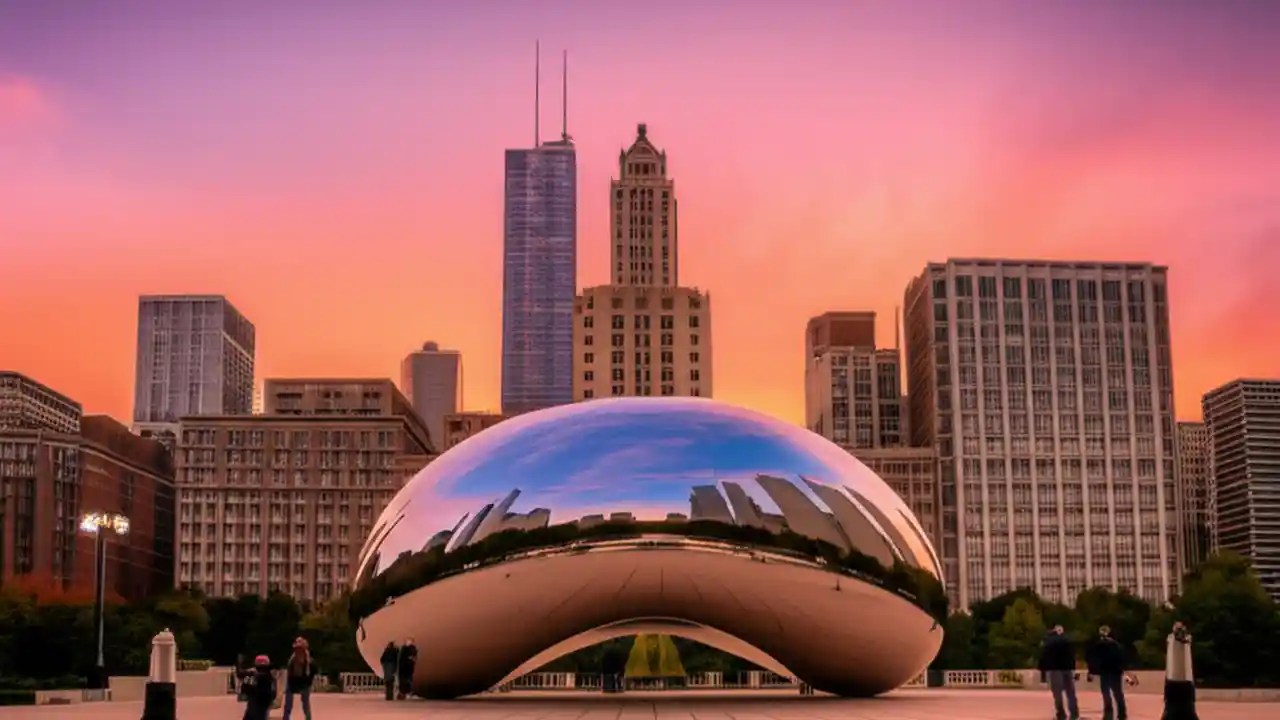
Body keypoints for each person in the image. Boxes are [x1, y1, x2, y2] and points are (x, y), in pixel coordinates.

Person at [1038, 624, 1080, 720]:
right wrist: (1072, 667)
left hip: (1055, 669)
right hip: (1067, 669)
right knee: (1071, 692)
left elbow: (1044, 657)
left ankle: (1061, 714)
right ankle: (1074, 714)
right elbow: (1072, 656)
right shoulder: (1068, 641)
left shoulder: (1049, 642)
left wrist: (1043, 672)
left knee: (1057, 693)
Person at [1087, 625, 1128, 720]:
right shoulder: (1116, 645)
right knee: (1118, 694)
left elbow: (1094, 659)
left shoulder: (1098, 646)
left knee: (1106, 694)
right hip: (1115, 672)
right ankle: (1122, 714)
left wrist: (1092, 671)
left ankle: (1108, 715)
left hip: (1105, 672)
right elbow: (1122, 658)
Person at [1162, 621, 1198, 720]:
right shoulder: (1173, 639)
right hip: (1180, 681)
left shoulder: (1177, 639)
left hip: (1178, 681)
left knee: (1174, 711)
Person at [283, 637, 318, 720]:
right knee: (288, 702)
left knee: (305, 702)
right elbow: (289, 675)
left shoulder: (310, 662)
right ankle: (286, 718)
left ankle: (308, 718)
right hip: (292, 683)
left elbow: (312, 674)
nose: (298, 651)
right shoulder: (291, 661)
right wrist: (291, 687)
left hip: (305, 683)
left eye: (300, 649)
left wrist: (307, 685)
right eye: (296, 649)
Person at [240, 655, 277, 720]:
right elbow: (244, 687)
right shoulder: (252, 674)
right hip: (257, 702)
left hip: (261, 702)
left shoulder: (267, 676)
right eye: (260, 668)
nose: (262, 670)